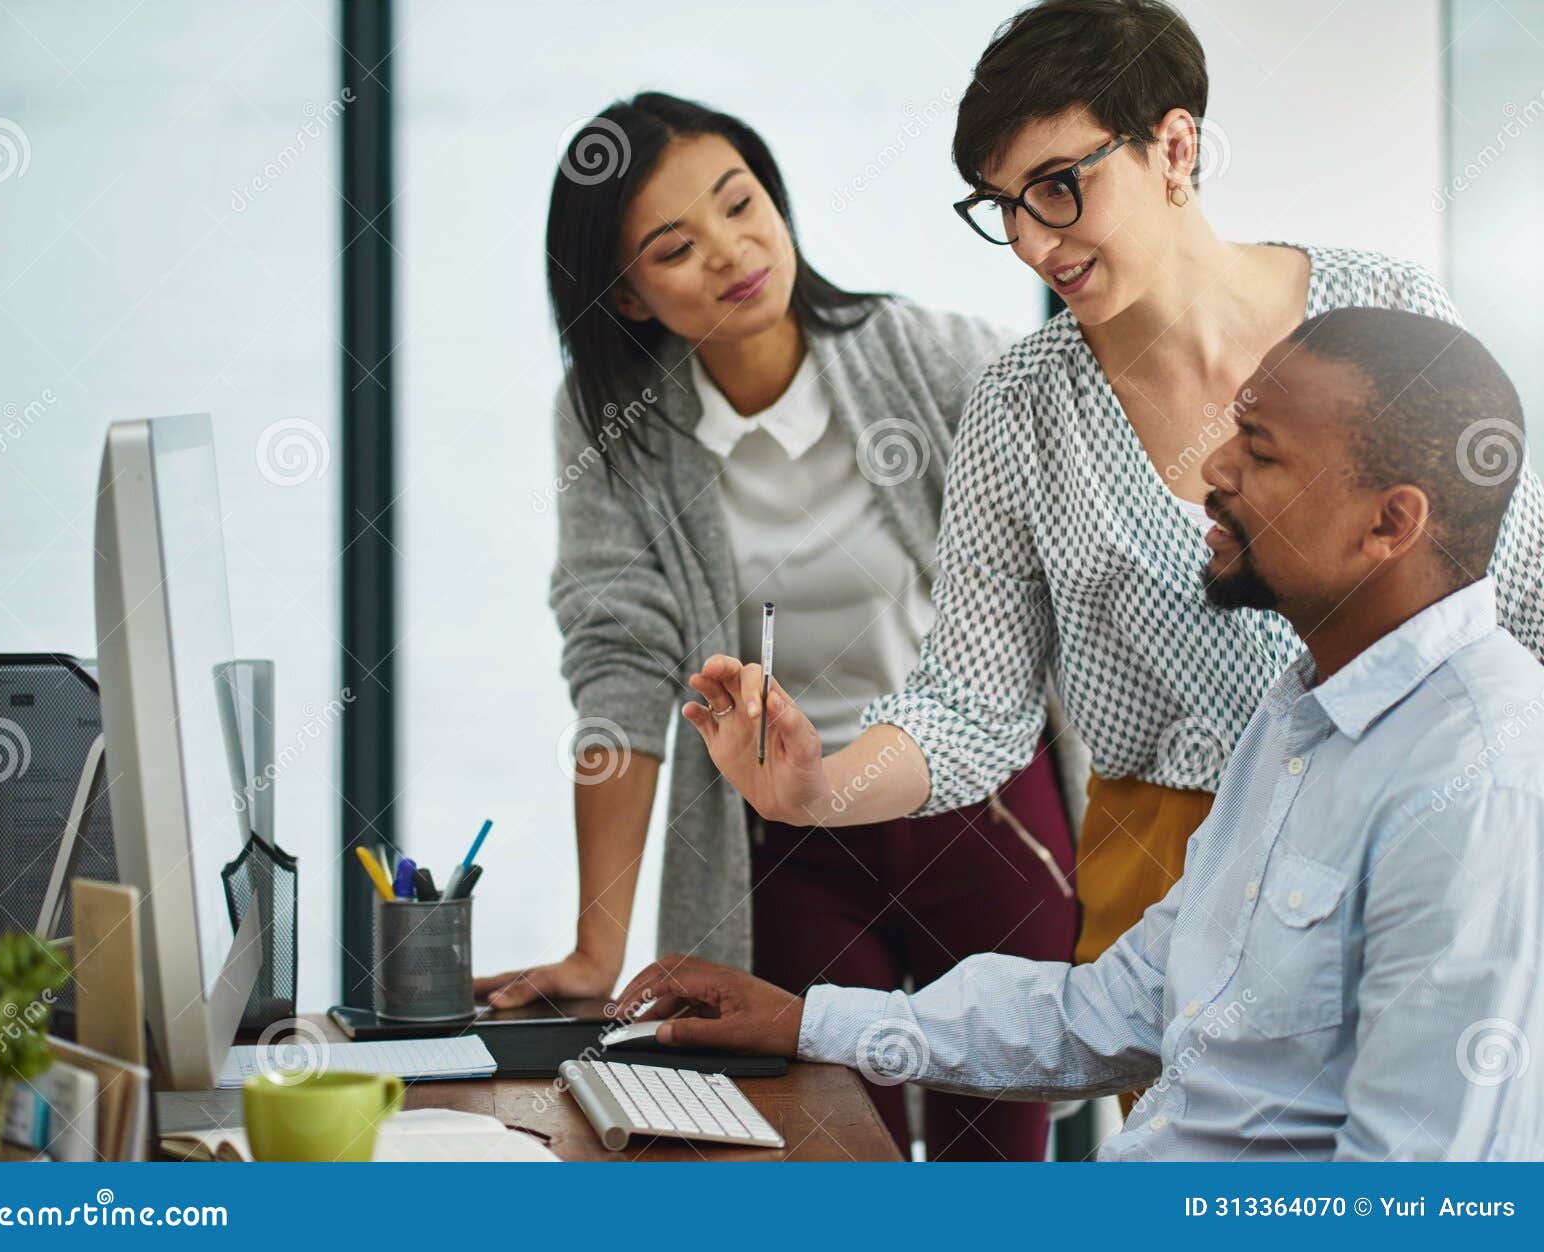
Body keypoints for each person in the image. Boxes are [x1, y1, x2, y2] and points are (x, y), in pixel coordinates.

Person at [677, 0, 1544, 1029]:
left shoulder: (1383, 316)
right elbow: (970, 707)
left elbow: (1515, 600)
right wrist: (813, 789)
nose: (1032, 242)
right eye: (1000, 206)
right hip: (1167, 871)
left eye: (1057, 187)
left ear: (1174, 146)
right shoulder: (1020, 405)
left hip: (1412, 826)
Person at [614, 309, 1544, 1161]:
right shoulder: (1300, 708)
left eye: (1257, 453)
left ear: (1391, 524)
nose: (1212, 471)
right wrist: (807, 1022)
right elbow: (1121, 1004)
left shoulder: (1478, 777)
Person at [472, 93, 1083, 1160]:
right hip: (791, 839)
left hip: (983, 816)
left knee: (1000, 1165)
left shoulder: (940, 361)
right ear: (627, 298)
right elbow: (620, 659)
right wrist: (593, 941)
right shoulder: (613, 423)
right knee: (826, 1152)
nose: (730, 252)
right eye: (674, 247)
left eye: (740, 204)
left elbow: (1088, 555)